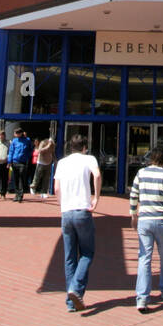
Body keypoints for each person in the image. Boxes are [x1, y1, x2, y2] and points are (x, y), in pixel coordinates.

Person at [130, 148, 163, 313]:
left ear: (151, 158)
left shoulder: (141, 173)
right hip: (161, 220)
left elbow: (133, 195)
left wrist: (133, 215)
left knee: (144, 257)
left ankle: (142, 298)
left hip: (144, 220)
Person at [54, 133, 100, 312]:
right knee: (87, 253)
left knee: (69, 257)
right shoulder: (89, 159)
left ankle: (71, 302)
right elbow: (96, 175)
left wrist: (61, 204)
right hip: (82, 210)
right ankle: (76, 288)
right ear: (84, 147)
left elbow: (56, 187)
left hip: (66, 212)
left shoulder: (62, 163)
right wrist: (96, 198)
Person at [8, 128, 34, 202]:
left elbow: (30, 150)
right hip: (15, 162)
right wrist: (9, 161)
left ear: (20, 133)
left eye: (16, 133)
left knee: (21, 179)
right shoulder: (14, 141)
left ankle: (20, 195)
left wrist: (27, 157)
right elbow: (11, 151)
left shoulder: (27, 140)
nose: (15, 134)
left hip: (23, 162)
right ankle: (17, 194)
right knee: (15, 179)